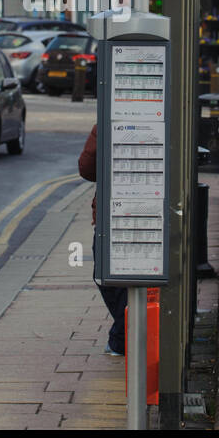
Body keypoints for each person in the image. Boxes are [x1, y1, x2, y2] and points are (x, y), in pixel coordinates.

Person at [79, 122, 127, 357]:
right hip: (152, 209)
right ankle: (124, 333)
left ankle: (122, 336)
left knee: (105, 274)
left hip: (111, 213)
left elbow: (87, 168)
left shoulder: (107, 121)